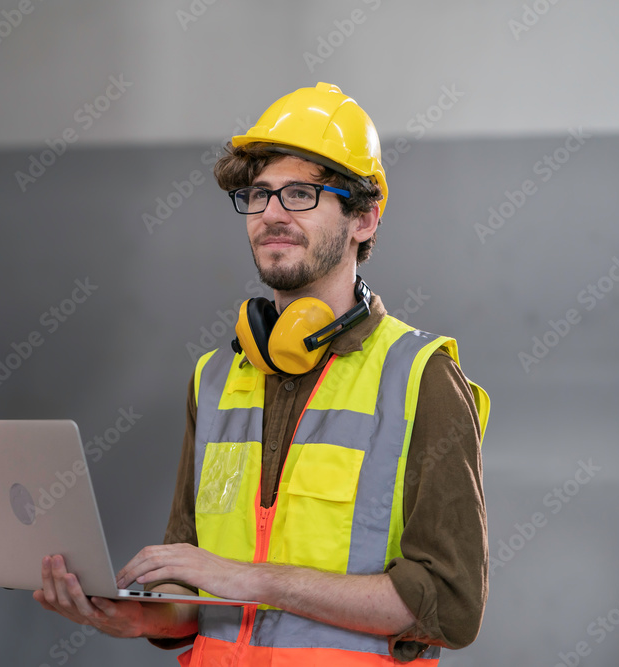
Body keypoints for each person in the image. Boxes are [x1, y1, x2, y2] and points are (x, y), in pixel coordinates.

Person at [34, 82, 491, 665]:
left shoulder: (422, 377)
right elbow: (190, 572)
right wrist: (141, 615)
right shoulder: (216, 378)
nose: (271, 214)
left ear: (365, 218)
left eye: (300, 193)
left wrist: (259, 580)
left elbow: (451, 605)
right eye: (257, 194)